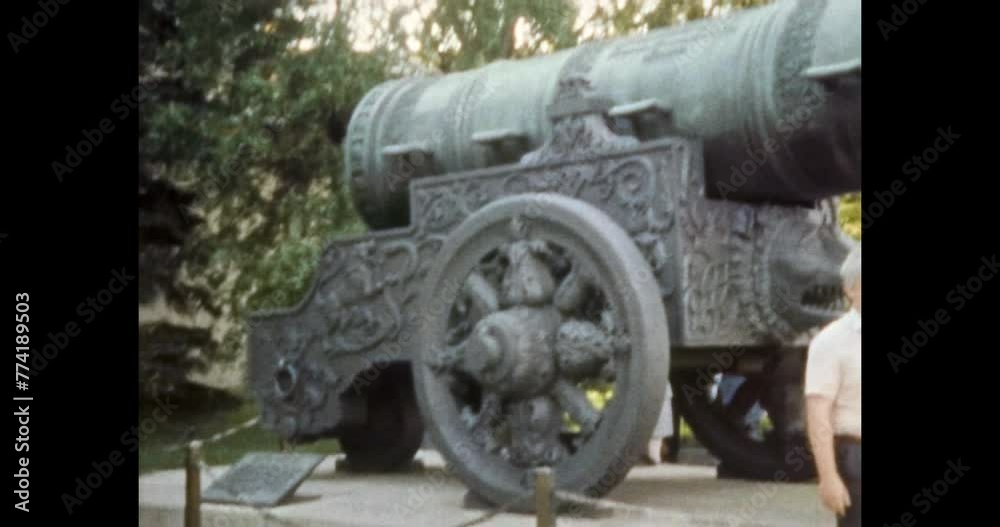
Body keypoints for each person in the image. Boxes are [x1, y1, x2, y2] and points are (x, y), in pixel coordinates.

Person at [805, 242, 861, 526]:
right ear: (850, 290)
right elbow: (818, 414)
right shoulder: (830, 342)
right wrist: (828, 477)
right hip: (856, 462)